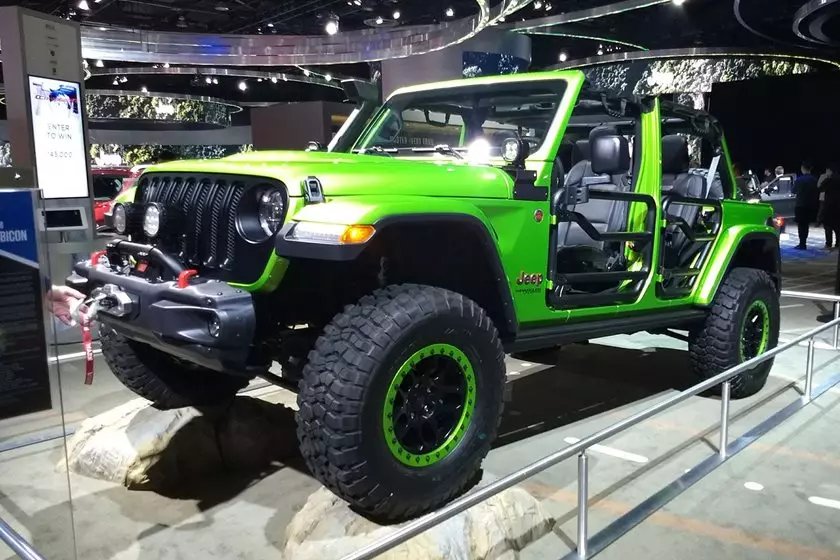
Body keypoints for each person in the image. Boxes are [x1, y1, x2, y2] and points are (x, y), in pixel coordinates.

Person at [793, 161, 820, 249]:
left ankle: (802, 243)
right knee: (806, 224)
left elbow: (793, 191)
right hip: (811, 205)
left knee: (801, 225)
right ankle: (803, 243)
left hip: (801, 205)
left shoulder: (799, 179)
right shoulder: (814, 179)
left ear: (803, 168)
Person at [821, 164, 840, 249]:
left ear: (830, 171)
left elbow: (820, 188)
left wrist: (826, 178)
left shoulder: (828, 180)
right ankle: (838, 243)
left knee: (828, 226)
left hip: (829, 205)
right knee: (837, 226)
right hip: (838, 206)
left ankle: (828, 243)